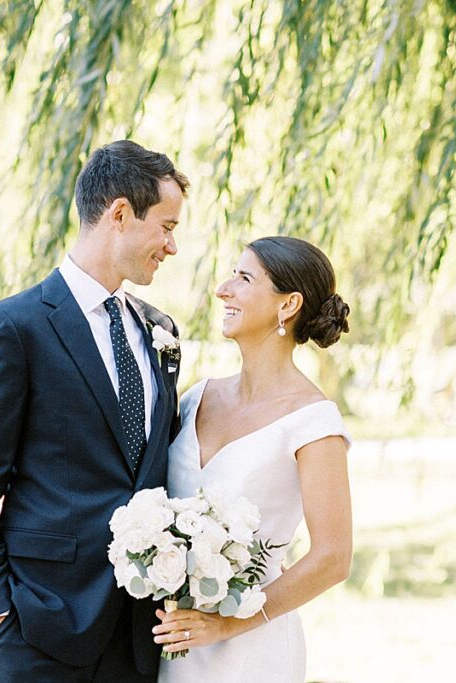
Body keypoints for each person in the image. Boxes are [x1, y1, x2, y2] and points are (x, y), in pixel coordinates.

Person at [0, 140, 189, 682]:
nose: (172, 246)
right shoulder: (14, 328)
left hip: (138, 633)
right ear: (120, 214)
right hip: (38, 630)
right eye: (167, 226)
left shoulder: (160, 331)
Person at [154, 236, 353, 683]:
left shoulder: (313, 422)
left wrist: (226, 625)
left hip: (252, 650)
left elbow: (333, 557)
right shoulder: (196, 398)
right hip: (174, 639)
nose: (223, 289)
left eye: (244, 278)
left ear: (289, 305)